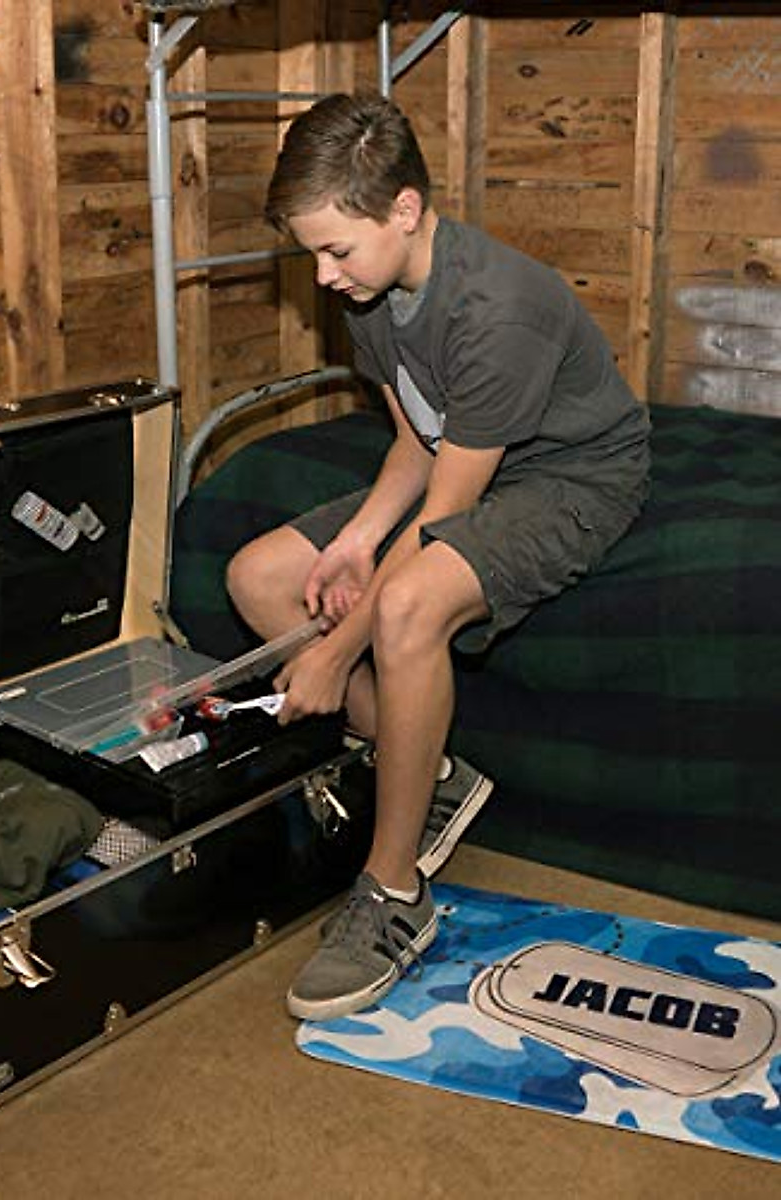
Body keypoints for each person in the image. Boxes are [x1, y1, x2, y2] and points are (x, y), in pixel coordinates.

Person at [226, 93, 650, 1021]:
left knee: (408, 605)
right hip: (472, 459)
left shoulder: (500, 309)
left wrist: (333, 655)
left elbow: (445, 516)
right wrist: (351, 539)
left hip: (572, 475)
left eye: (337, 250)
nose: (326, 276)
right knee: (259, 575)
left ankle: (396, 891)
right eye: (313, 256)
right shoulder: (373, 289)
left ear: (406, 210)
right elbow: (420, 440)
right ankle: (428, 767)